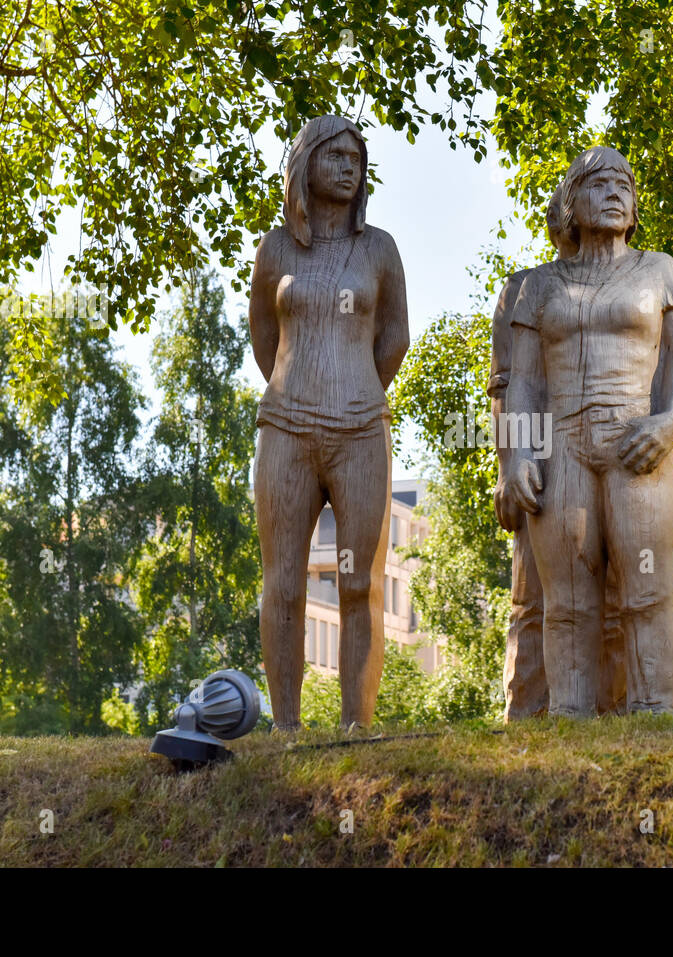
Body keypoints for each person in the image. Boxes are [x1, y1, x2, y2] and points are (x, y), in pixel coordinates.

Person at [505, 146, 673, 717]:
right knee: (567, 602)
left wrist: (668, 424)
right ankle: (570, 720)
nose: (615, 192)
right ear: (572, 203)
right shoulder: (538, 287)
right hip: (561, 448)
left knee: (647, 592)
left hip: (637, 441)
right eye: (598, 183)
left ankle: (656, 715)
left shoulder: (662, 272)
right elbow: (524, 383)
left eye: (624, 183)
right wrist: (517, 454)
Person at [249, 115, 409, 729]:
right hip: (287, 428)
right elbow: (265, 336)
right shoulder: (277, 249)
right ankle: (285, 728)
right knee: (283, 583)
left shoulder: (380, 249)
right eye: (335, 155)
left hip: (361, 430)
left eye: (357, 158)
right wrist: (300, 388)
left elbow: (394, 335)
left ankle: (355, 726)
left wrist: (355, 390)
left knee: (358, 584)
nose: (349, 166)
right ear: (305, 164)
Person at [490, 183, 627, 720]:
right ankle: (528, 718)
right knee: (536, 598)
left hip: (614, 458)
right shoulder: (525, 288)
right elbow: (505, 386)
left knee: (618, 592)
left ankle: (616, 718)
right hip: (541, 459)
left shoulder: (634, 284)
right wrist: (511, 465)